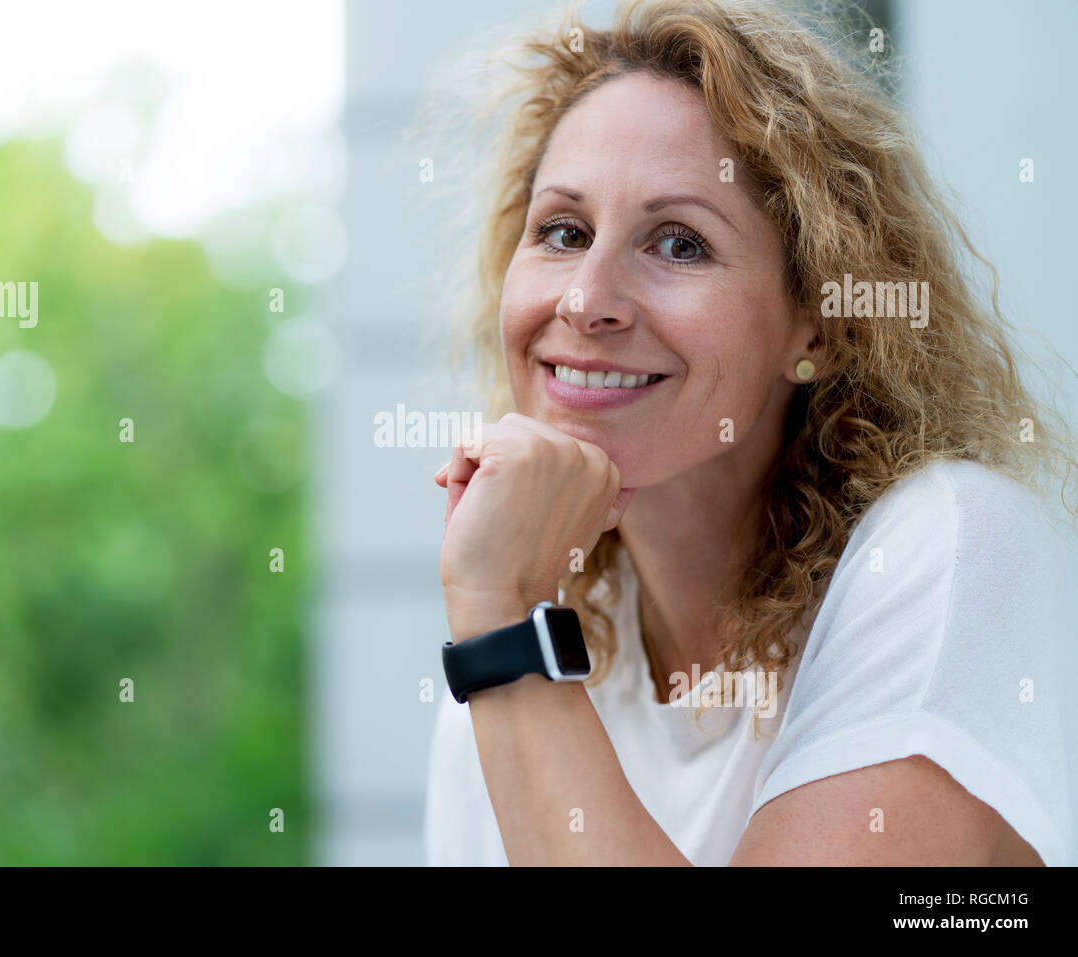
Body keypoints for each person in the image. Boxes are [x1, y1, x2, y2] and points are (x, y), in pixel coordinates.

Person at [420, 0, 1078, 866]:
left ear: (820, 325)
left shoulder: (953, 548)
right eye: (564, 231)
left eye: (680, 244)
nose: (585, 299)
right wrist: (508, 625)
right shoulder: (518, 643)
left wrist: (507, 628)